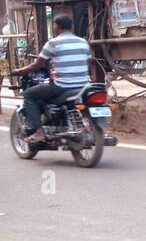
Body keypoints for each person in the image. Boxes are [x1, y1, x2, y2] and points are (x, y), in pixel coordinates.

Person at [10, 14, 91, 144]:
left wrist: (19, 71)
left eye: (54, 25)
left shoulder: (53, 43)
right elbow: (88, 62)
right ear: (71, 27)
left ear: (57, 27)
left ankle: (39, 132)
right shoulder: (83, 42)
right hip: (84, 85)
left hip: (63, 86)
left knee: (29, 94)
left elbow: (38, 65)